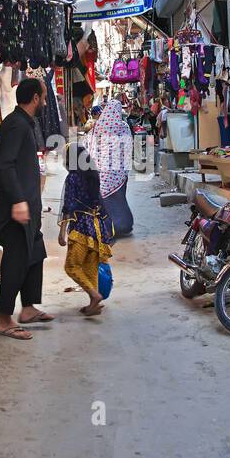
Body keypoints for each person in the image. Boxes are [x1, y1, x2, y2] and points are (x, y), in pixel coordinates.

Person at [0, 77, 53, 340]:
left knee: (35, 251)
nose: (45, 101)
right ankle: (3, 319)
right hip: (18, 206)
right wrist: (17, 200)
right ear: (35, 97)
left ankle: (29, 308)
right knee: (17, 258)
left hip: (27, 204)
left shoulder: (20, 123)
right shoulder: (17, 125)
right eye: (43, 96)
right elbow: (5, 163)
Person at [58, 142, 113, 317]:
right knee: (90, 266)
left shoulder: (73, 178)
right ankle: (93, 305)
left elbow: (68, 206)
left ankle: (94, 295)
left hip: (81, 227)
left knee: (72, 266)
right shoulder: (93, 174)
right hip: (98, 228)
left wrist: (62, 231)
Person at [89, 99, 135, 238]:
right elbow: (128, 147)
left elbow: (91, 147)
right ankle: (121, 226)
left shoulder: (98, 126)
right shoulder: (123, 126)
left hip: (101, 171)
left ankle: (106, 227)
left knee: (105, 202)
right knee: (119, 199)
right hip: (118, 172)